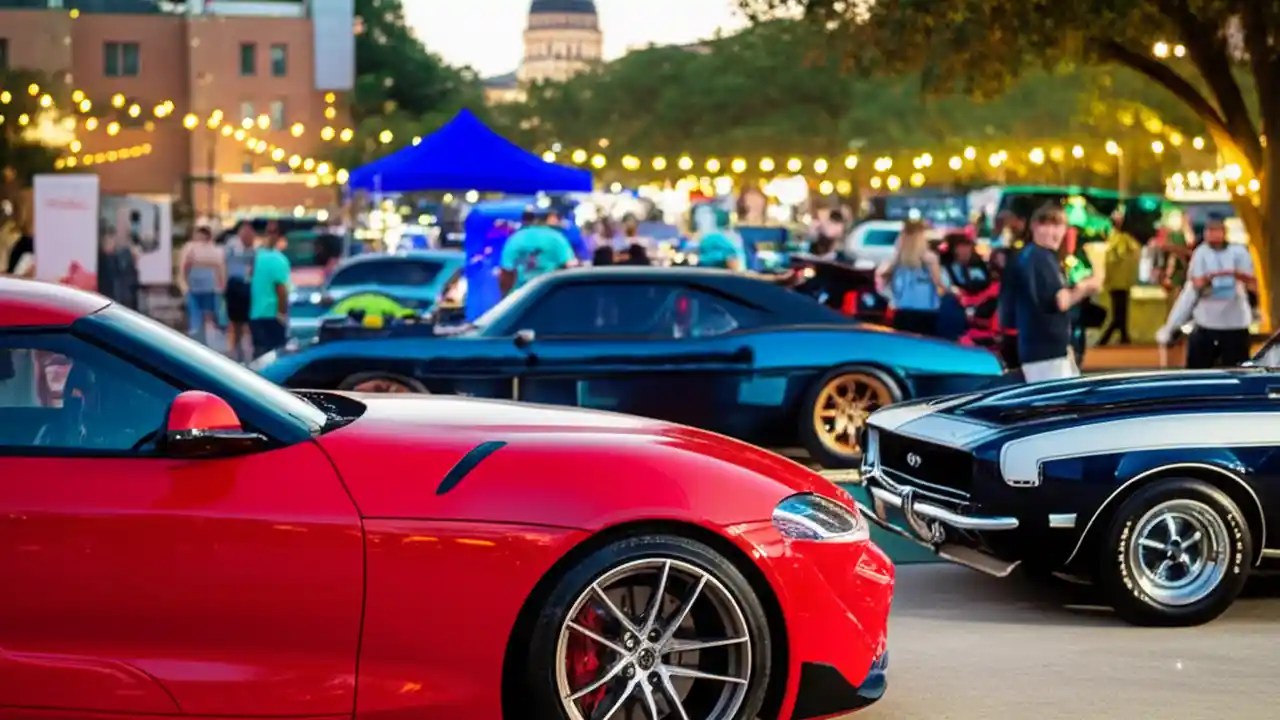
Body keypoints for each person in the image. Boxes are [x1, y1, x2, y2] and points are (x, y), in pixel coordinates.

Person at [1010, 203, 1102, 382]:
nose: (1054, 232)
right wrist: (1086, 286)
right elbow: (1060, 300)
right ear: (1035, 226)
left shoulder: (1034, 256)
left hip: (1046, 351)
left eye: (1059, 226)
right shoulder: (1040, 258)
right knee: (1055, 406)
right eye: (1048, 225)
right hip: (1045, 353)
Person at [1185, 213, 1255, 368]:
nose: (1213, 234)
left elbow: (1251, 281)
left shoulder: (1239, 252)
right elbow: (1196, 282)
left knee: (1237, 368)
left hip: (1235, 323)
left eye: (1216, 230)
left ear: (1224, 232)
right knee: (1198, 368)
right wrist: (1213, 277)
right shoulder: (1201, 253)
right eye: (1209, 230)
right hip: (1207, 322)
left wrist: (1234, 274)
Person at [876, 220, 947, 335]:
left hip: (922, 313)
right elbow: (883, 288)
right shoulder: (896, 263)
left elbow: (942, 286)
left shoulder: (929, 260)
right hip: (909, 312)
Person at [499, 210, 575, 295]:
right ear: (548, 218)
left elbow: (506, 272)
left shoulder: (515, 239)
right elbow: (570, 267)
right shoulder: (557, 238)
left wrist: (506, 298)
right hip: (550, 296)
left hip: (520, 297)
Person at [1099, 209, 1141, 345]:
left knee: (1120, 312)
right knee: (1120, 312)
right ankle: (1110, 338)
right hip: (1120, 281)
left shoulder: (1115, 238)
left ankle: (1123, 337)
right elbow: (1127, 253)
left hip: (1118, 281)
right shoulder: (1120, 238)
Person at [178, 226, 226, 347]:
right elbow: (183, 269)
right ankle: (200, 346)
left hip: (211, 291)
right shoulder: (190, 249)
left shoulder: (214, 250)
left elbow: (221, 269)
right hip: (196, 291)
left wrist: (222, 288)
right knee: (198, 323)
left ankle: (209, 346)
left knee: (210, 322)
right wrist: (185, 288)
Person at [249, 232, 292, 358]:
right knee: (276, 355)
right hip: (273, 314)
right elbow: (281, 289)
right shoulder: (279, 260)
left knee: (260, 353)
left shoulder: (258, 258)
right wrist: (282, 313)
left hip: (256, 313)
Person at [223, 222, 256, 361]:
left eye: (250, 233)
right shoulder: (232, 246)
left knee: (246, 321)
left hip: (247, 287)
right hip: (234, 287)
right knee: (235, 321)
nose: (247, 236)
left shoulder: (253, 251)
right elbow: (225, 263)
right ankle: (235, 350)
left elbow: (253, 267)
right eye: (245, 233)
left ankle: (244, 350)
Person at [97, 230, 139, 310]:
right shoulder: (107, 260)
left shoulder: (117, 258)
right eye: (108, 241)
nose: (111, 243)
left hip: (121, 297)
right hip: (116, 297)